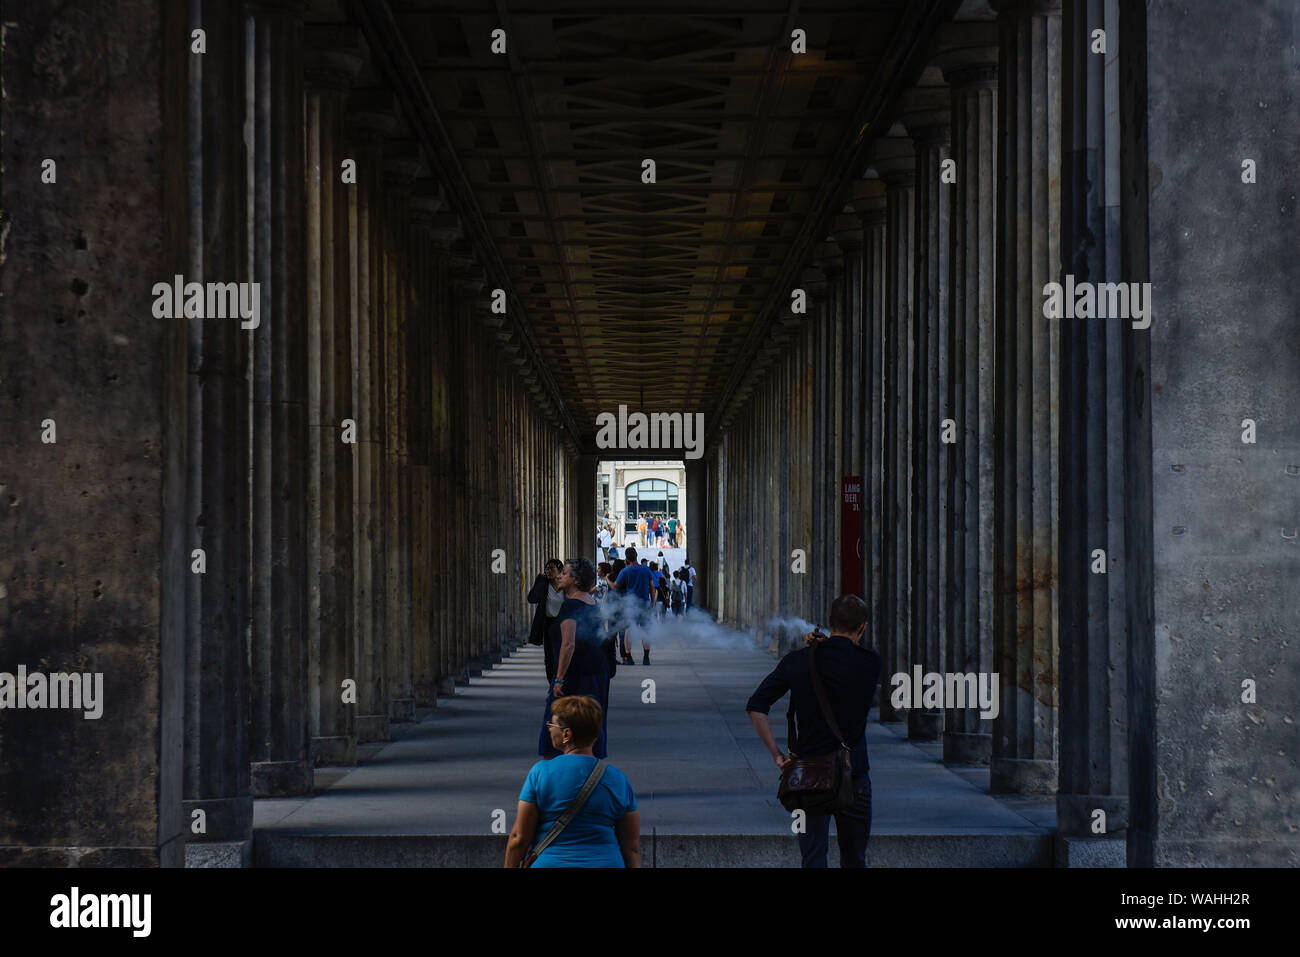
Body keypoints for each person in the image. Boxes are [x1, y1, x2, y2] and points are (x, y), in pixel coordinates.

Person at [744, 594, 881, 868]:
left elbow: (756, 707)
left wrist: (777, 755)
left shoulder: (799, 661)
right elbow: (845, 659)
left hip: (809, 776)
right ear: (863, 627)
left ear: (829, 621)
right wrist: (827, 645)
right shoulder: (871, 663)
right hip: (853, 773)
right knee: (855, 859)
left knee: (813, 857)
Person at [506, 696, 641, 868]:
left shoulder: (541, 773)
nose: (548, 729)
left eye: (552, 725)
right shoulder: (618, 780)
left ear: (566, 734)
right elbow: (632, 849)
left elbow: (519, 839)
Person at [540, 558, 611, 758]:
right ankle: (588, 770)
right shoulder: (592, 602)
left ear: (576, 580)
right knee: (590, 721)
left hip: (576, 673)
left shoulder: (570, 606)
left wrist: (559, 678)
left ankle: (558, 774)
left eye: (564, 572)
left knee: (559, 720)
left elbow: (568, 644)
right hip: (597, 672)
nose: (559, 575)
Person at [612, 546, 654, 666]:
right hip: (645, 603)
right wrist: (653, 601)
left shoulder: (625, 571)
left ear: (626, 558)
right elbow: (652, 586)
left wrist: (606, 579)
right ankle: (646, 658)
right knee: (646, 631)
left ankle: (629, 657)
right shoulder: (645, 569)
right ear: (637, 556)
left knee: (629, 631)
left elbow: (615, 586)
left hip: (631, 605)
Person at [527, 559, 565, 683]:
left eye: (552, 568)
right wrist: (539, 581)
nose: (548, 571)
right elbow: (532, 599)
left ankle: (562, 679)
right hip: (548, 623)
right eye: (547, 568)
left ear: (560, 570)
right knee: (549, 656)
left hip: (563, 624)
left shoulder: (565, 585)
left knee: (562, 653)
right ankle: (552, 682)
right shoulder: (544, 584)